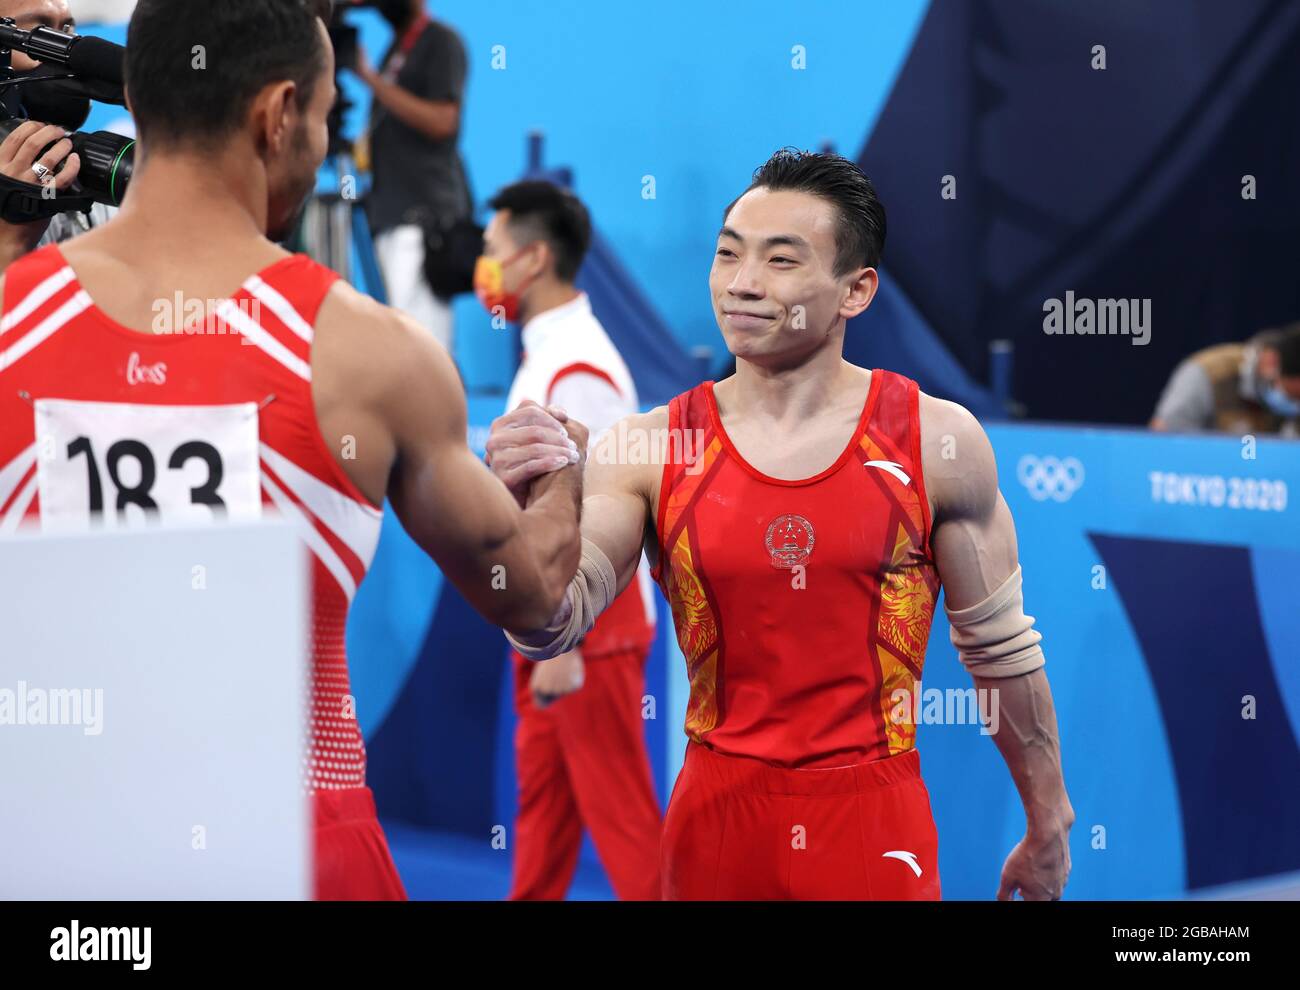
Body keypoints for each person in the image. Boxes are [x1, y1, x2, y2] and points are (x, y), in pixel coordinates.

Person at [0, 0, 584, 900]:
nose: (318, 142)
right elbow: (539, 602)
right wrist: (563, 480)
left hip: (53, 849)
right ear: (279, 116)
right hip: (294, 841)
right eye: (320, 115)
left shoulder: (11, 320)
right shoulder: (372, 354)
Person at [490, 149, 1075, 900]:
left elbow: (1000, 654)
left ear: (855, 291)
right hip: (715, 826)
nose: (742, 283)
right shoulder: (648, 446)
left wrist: (1049, 820)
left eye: (780, 260)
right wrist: (541, 508)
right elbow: (550, 625)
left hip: (873, 829)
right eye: (728, 254)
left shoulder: (937, 444)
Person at [480, 180, 661, 901]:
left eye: (493, 252)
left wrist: (571, 643)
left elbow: (595, 507)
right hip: (551, 623)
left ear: (535, 259)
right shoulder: (548, 350)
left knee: (625, 827)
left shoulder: (577, 363)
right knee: (544, 819)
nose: (485, 268)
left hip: (589, 628)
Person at [355, 0, 470, 352]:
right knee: (396, 341)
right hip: (389, 216)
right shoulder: (396, 47)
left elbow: (443, 121)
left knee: (420, 345)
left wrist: (369, 79)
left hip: (421, 221)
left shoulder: (441, 41)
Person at [0, 0, 116, 273]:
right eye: (38, 34)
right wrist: (10, 241)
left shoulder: (83, 165)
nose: (67, 48)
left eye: (67, 29)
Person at [1150, 325, 1300, 435]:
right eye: (1294, 396)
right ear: (1271, 363)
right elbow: (1163, 438)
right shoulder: (1209, 373)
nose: (1295, 405)